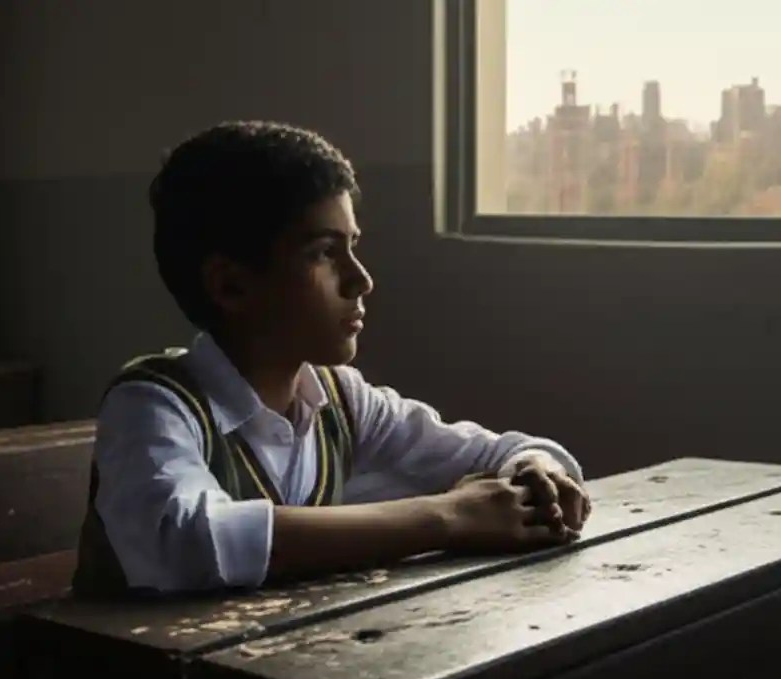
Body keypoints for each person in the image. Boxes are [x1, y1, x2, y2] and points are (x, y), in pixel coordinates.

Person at [73, 120, 591, 597]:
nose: (361, 279)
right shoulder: (154, 403)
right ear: (230, 284)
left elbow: (503, 451)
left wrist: (532, 469)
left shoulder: (342, 401)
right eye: (323, 252)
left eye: (354, 246)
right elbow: (185, 540)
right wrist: (446, 516)